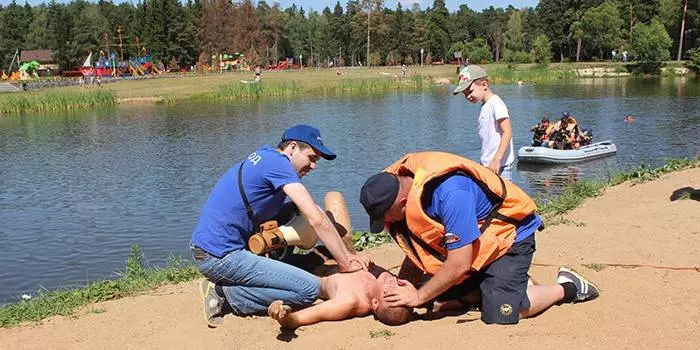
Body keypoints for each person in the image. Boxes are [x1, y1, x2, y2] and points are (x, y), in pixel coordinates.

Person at [359, 151, 600, 325]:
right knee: (434, 291)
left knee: (503, 314)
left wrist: (419, 296)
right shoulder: (397, 185)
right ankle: (502, 285)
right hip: (475, 247)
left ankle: (567, 287)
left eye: (386, 217)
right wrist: (406, 286)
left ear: (402, 202)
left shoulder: (450, 193)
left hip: (509, 240)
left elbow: (460, 263)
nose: (387, 223)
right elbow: (420, 245)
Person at [190, 124, 370, 328]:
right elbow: (316, 220)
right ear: (292, 147)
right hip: (220, 257)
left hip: (212, 247)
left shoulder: (268, 156)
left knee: (295, 210)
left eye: (316, 161)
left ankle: (246, 280)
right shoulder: (278, 165)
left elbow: (315, 211)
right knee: (309, 290)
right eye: (312, 157)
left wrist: (347, 254)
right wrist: (346, 264)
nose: (313, 166)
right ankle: (224, 294)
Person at [268, 265, 413, 328]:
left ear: (375, 304)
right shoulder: (388, 279)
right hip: (335, 255)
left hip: (310, 272)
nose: (394, 282)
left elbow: (299, 319)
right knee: (335, 200)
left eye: (390, 292)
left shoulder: (350, 300)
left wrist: (284, 315)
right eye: (400, 287)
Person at [452, 65, 515, 180]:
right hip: (488, 164)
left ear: (484, 85)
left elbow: (508, 132)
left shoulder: (496, 104)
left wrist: (497, 160)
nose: (467, 97)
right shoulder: (485, 105)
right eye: (465, 94)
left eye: (470, 91)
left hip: (500, 165)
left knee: (501, 197)